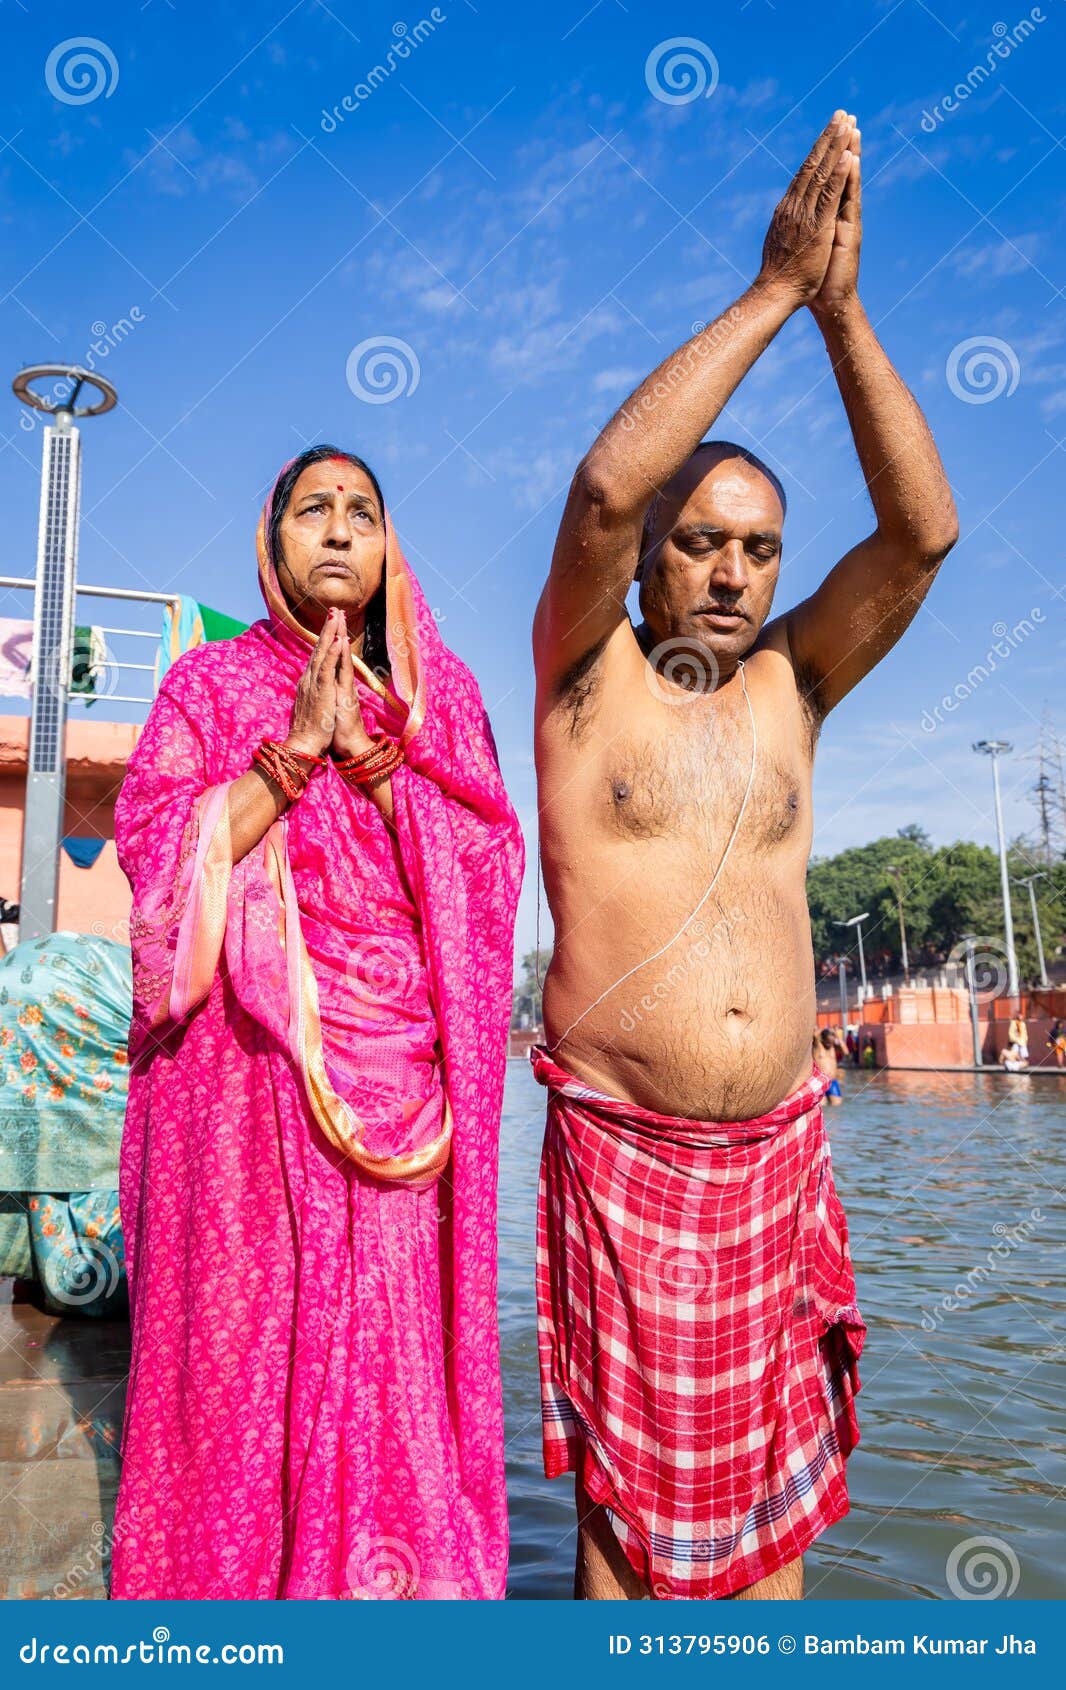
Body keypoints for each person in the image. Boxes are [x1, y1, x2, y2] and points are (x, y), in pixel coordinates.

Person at [531, 111, 958, 1600]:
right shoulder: (585, 678)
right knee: (619, 1529)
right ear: (651, 552)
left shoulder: (797, 683)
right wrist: (772, 293)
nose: (730, 571)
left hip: (776, 1156)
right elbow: (596, 490)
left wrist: (843, 317)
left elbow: (920, 538)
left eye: (759, 548)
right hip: (622, 1161)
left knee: (772, 1518)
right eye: (701, 540)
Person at [109, 446, 523, 1599]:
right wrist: (290, 757)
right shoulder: (207, 689)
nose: (339, 531)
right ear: (272, 539)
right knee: (240, 1365)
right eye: (312, 510)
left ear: (390, 547)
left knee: (386, 1365)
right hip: (237, 1107)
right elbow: (152, 881)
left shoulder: (442, 705)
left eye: (363, 514)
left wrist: (377, 761)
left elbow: (488, 884)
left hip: (403, 1107)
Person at [813, 1027, 843, 1105]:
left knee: (837, 1107)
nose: (829, 1044)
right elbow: (814, 1035)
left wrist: (836, 1035)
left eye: (831, 1042)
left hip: (833, 1082)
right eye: (828, 1041)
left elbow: (846, 1051)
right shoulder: (818, 1046)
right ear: (823, 1039)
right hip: (820, 1082)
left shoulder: (833, 1048)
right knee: (822, 1107)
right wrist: (823, 1029)